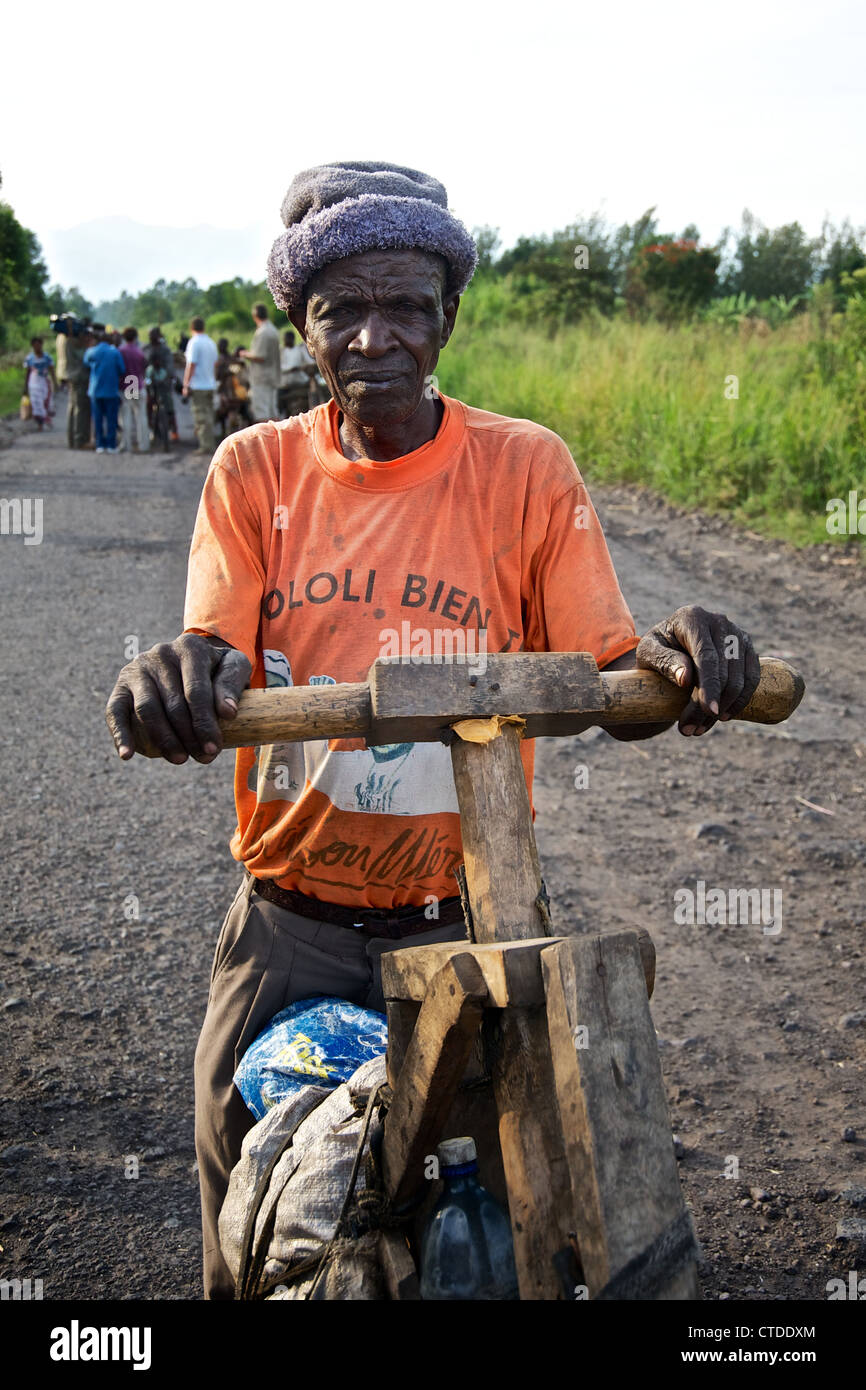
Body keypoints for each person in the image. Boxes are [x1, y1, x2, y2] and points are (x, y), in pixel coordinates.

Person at [105, 160, 760, 1300]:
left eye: (406, 305)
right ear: (297, 328)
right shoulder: (253, 471)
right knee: (251, 1226)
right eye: (339, 310)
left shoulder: (522, 466)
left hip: (472, 916)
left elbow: (609, 664)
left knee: (535, 1207)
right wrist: (176, 678)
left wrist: (684, 652)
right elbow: (209, 647)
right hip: (291, 924)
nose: (375, 337)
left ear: (447, 316)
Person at [84, 331, 125, 453]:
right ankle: (111, 445)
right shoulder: (115, 352)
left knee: (98, 419)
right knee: (111, 420)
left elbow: (86, 363)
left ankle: (100, 444)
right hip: (111, 391)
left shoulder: (92, 351)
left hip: (95, 391)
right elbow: (122, 369)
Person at [182, 317, 218, 456]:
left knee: (201, 416)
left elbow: (191, 364)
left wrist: (186, 384)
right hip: (210, 384)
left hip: (199, 386)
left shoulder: (194, 342)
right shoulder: (211, 342)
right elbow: (215, 364)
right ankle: (210, 442)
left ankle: (206, 445)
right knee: (209, 415)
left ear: (191, 328)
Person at [239, 302, 281, 421]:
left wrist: (245, 354)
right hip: (272, 376)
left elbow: (260, 356)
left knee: (262, 413)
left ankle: (266, 439)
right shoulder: (273, 329)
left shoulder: (262, 332)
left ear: (255, 316)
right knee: (273, 411)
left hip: (261, 378)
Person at [118, 327, 150, 454]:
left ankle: (126, 444)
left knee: (125, 417)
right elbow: (145, 367)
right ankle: (143, 444)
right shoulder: (139, 351)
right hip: (137, 384)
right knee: (141, 416)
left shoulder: (121, 351)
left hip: (126, 384)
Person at [65, 327, 94, 449]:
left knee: (73, 409)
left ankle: (73, 440)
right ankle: (80, 440)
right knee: (81, 411)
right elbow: (86, 359)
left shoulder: (68, 343)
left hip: (73, 379)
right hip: (80, 380)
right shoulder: (77, 347)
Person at [278, 328, 316, 417]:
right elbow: (279, 367)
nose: (287, 341)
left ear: (292, 339)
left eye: (289, 339)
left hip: (300, 379)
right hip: (285, 382)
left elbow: (309, 361)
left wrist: (304, 366)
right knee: (279, 397)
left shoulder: (299, 349)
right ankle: (281, 413)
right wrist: (290, 369)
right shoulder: (281, 351)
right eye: (286, 339)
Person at [22, 337, 57, 431]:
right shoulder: (29, 358)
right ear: (32, 346)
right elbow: (28, 373)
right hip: (33, 383)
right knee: (36, 403)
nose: (37, 347)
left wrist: (55, 382)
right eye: (35, 345)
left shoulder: (47, 357)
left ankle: (45, 417)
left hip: (44, 382)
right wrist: (25, 387)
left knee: (45, 401)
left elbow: (52, 370)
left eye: (39, 344)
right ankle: (40, 424)